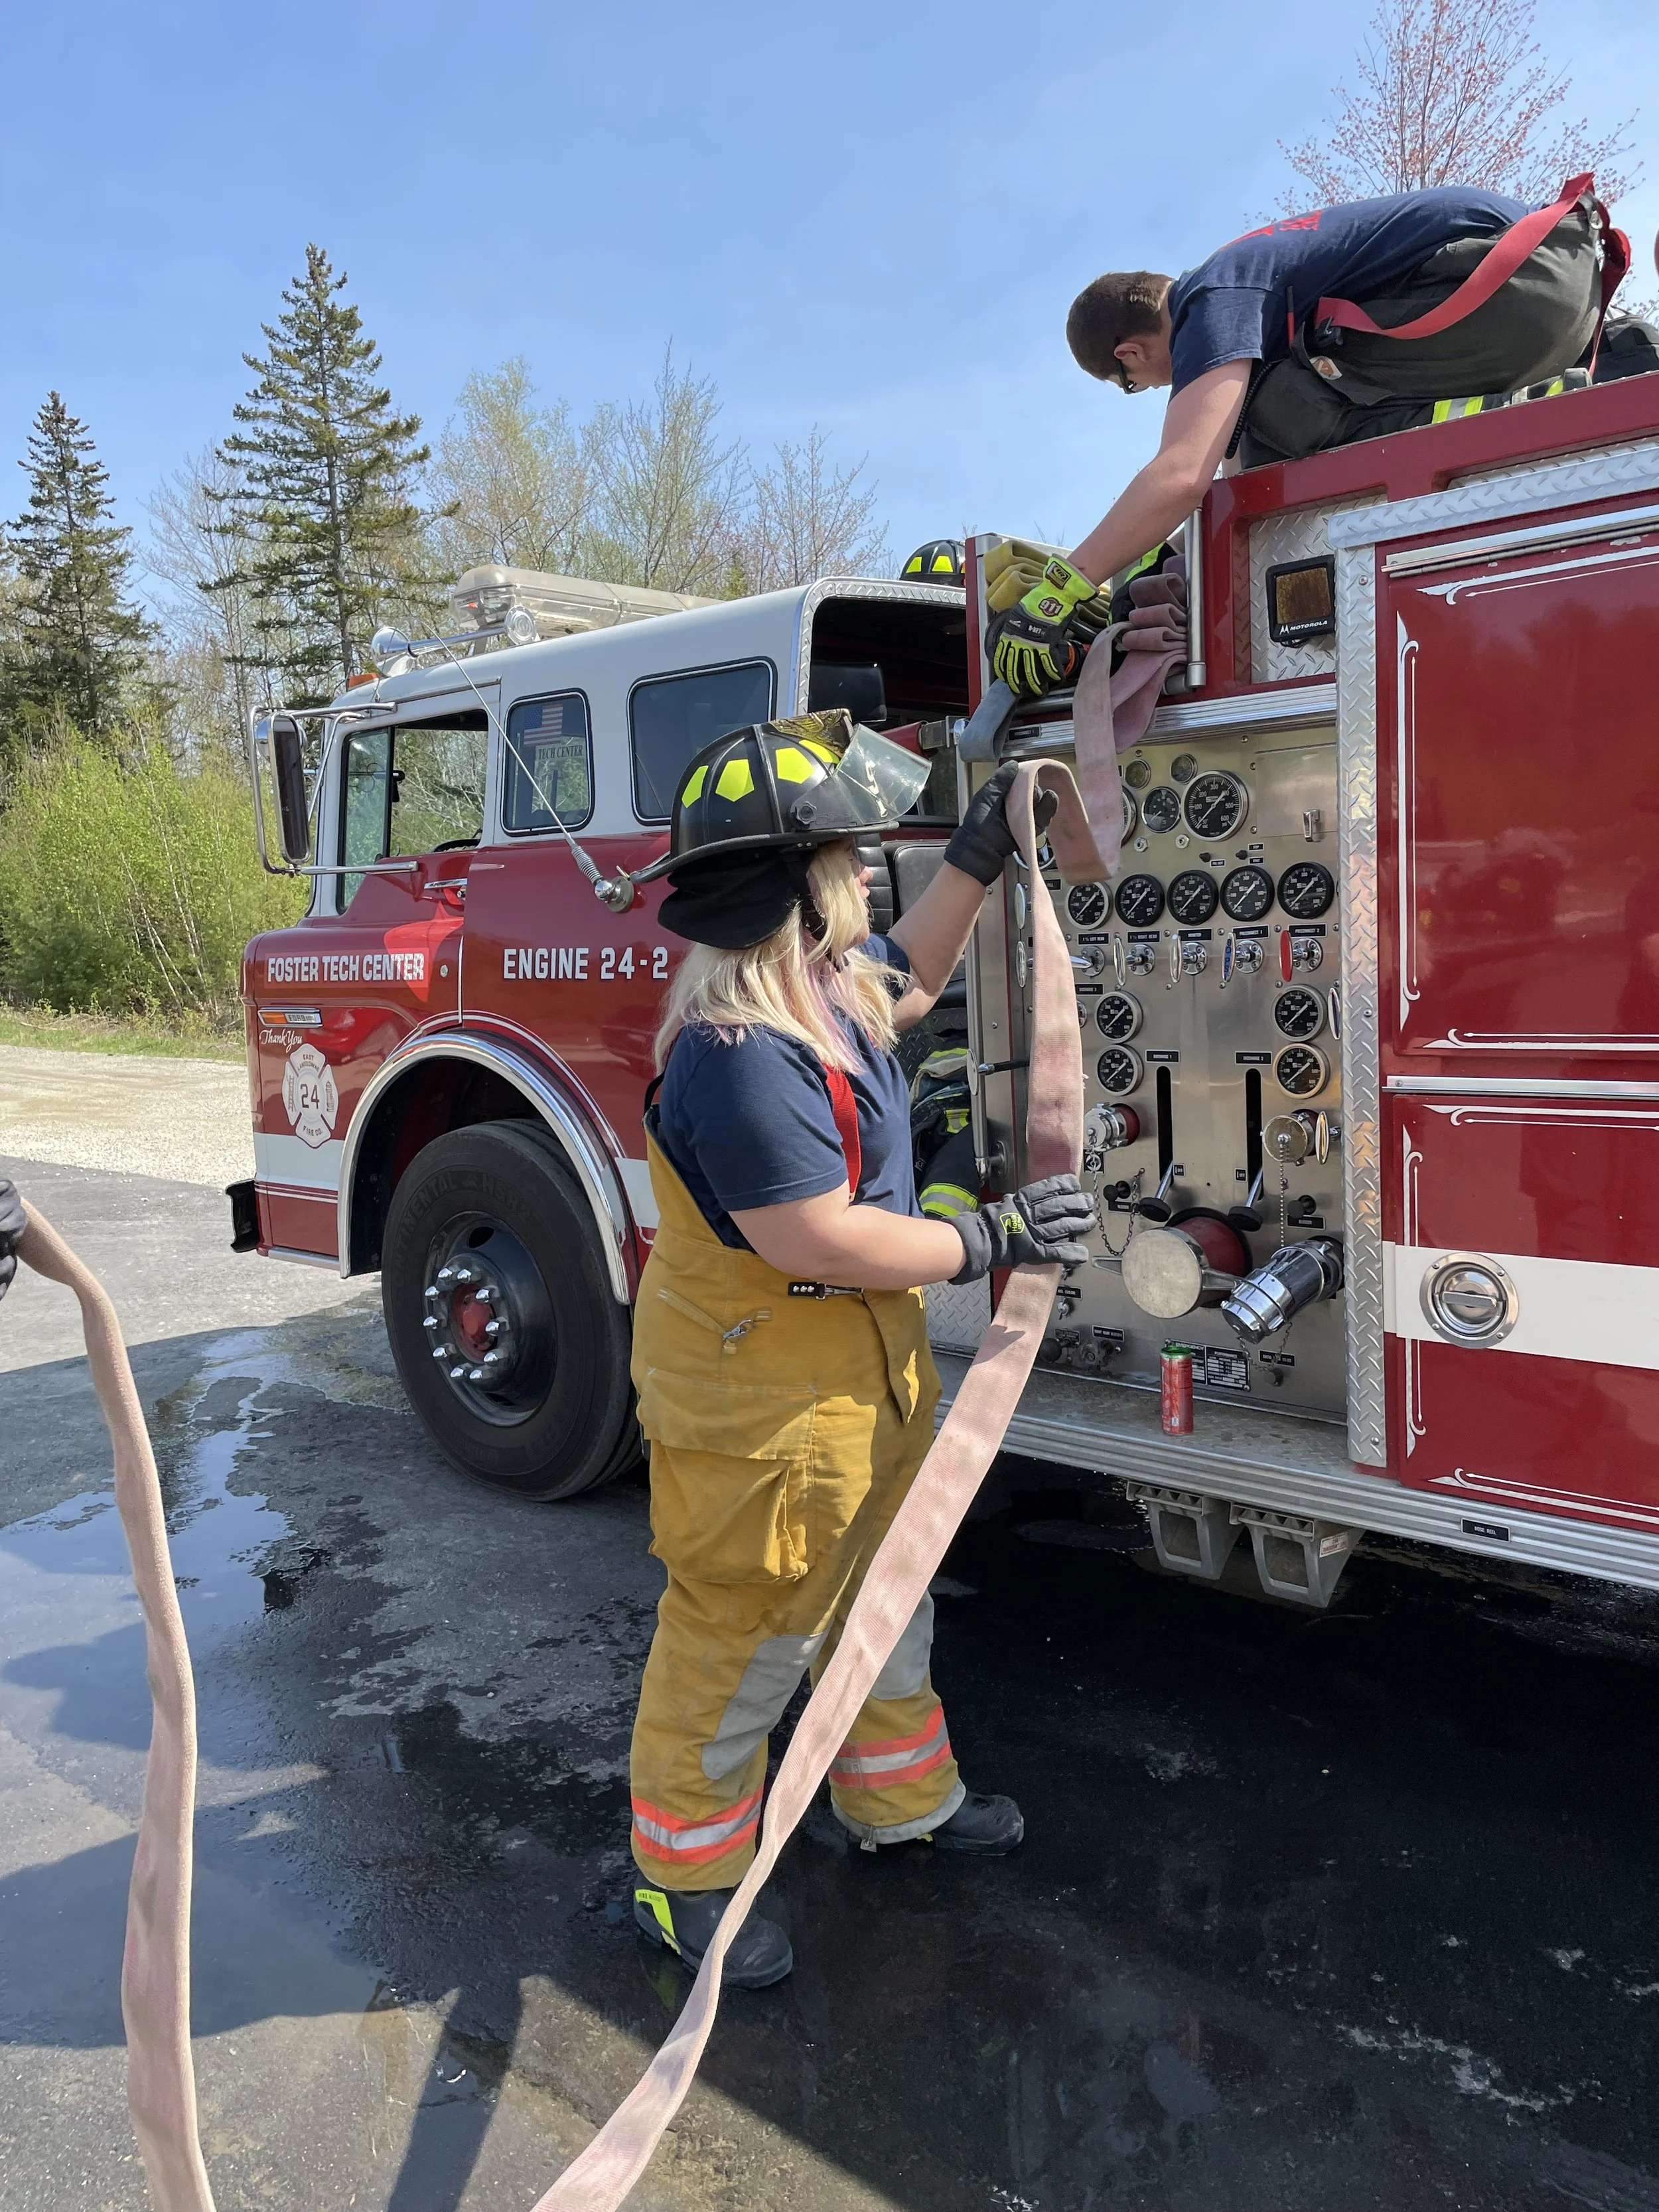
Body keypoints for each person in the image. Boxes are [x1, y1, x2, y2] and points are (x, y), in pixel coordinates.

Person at [622, 711, 1094, 1988]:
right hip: (759, 1409)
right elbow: (814, 1236)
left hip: (851, 1383)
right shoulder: (738, 1057)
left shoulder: (815, 993)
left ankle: (899, 1806)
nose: (867, 877)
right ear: (803, 884)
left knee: (887, 1597)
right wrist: (983, 1236)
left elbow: (913, 976)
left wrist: (983, 856)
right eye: (849, 858)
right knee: (745, 1631)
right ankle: (685, 1876)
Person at [987, 182, 1620, 703]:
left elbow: (1184, 473)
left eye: (1132, 384)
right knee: (1262, 427)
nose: (1150, 388)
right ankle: (1507, 404)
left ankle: (1511, 409)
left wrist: (1064, 587)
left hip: (1512, 284)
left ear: (1130, 353)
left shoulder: (1212, 295)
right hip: (1551, 282)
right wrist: (1144, 572)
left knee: (1273, 412)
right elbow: (1223, 492)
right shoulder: (1249, 279)